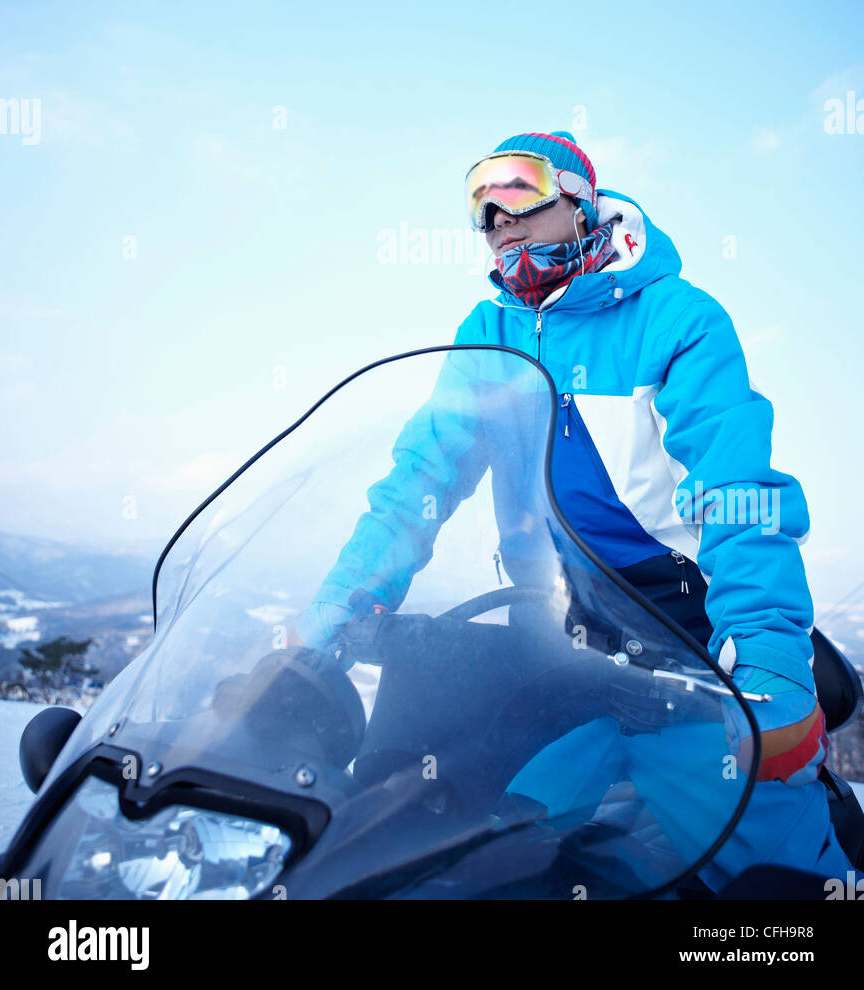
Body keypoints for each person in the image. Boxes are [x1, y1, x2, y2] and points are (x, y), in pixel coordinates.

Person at [294, 129, 856, 893]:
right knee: (446, 856)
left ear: (580, 198)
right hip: (555, 652)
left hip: (684, 660)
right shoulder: (487, 333)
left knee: (776, 878)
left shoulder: (676, 320)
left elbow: (737, 494)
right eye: (480, 206)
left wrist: (762, 656)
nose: (499, 218)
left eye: (516, 188)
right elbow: (419, 477)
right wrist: (345, 600)